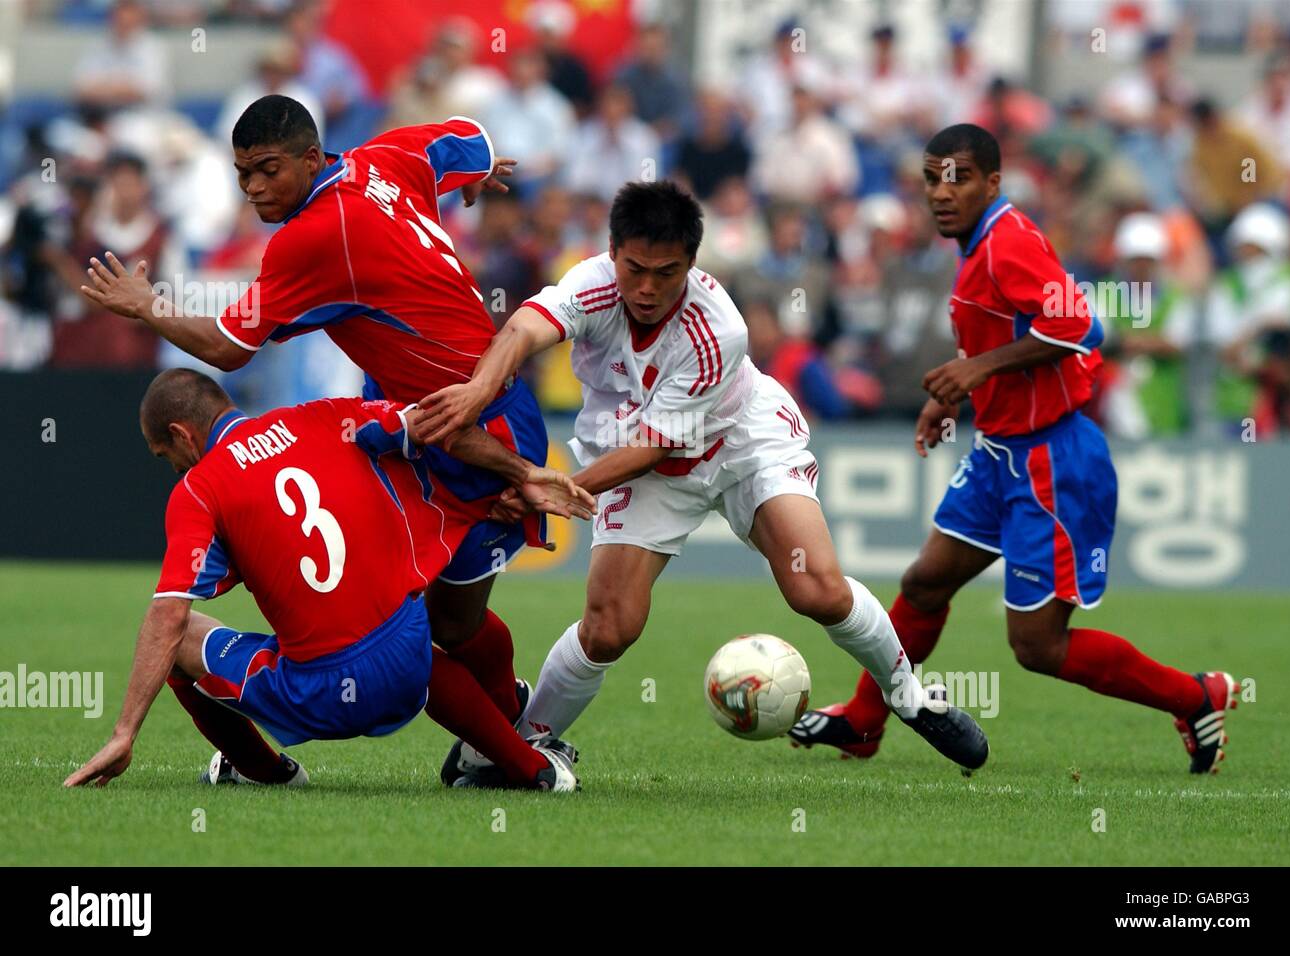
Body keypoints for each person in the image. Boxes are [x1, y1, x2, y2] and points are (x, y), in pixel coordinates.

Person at [417, 181, 990, 781]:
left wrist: (562, 485)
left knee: (815, 588)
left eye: (665, 273)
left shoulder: (719, 329)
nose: (645, 287)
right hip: (641, 461)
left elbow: (653, 446)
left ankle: (906, 694)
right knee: (610, 627)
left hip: (741, 444)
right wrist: (480, 391)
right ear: (612, 252)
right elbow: (522, 332)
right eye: (633, 268)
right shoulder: (590, 285)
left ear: (691, 264)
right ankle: (521, 741)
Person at [77, 95, 577, 740]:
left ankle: (518, 731)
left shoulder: (314, 238)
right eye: (242, 174)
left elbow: (229, 348)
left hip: (474, 423)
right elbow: (468, 137)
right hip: (415, 418)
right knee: (385, 601)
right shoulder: (384, 158)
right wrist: (478, 172)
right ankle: (507, 731)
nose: (254, 188)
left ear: (312, 159)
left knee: (443, 624)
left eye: (268, 169)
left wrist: (149, 306)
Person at [789, 125, 1238, 774]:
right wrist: (955, 393)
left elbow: (1081, 327)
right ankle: (864, 720)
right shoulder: (976, 247)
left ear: (993, 183)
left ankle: (1196, 696)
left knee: (1036, 646)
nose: (943, 193)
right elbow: (1007, 335)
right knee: (924, 583)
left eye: (960, 178)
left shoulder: (1009, 243)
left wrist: (974, 372)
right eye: (932, 179)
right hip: (1001, 453)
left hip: (1052, 462)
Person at [64, 369, 592, 792]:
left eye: (167, 457)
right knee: (422, 623)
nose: (174, 469)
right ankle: (532, 767)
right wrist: (520, 474)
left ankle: (265, 771)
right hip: (409, 662)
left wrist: (124, 732)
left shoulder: (200, 489)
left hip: (324, 696)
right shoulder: (324, 417)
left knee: (180, 636)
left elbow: (169, 611)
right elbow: (431, 425)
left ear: (181, 434)